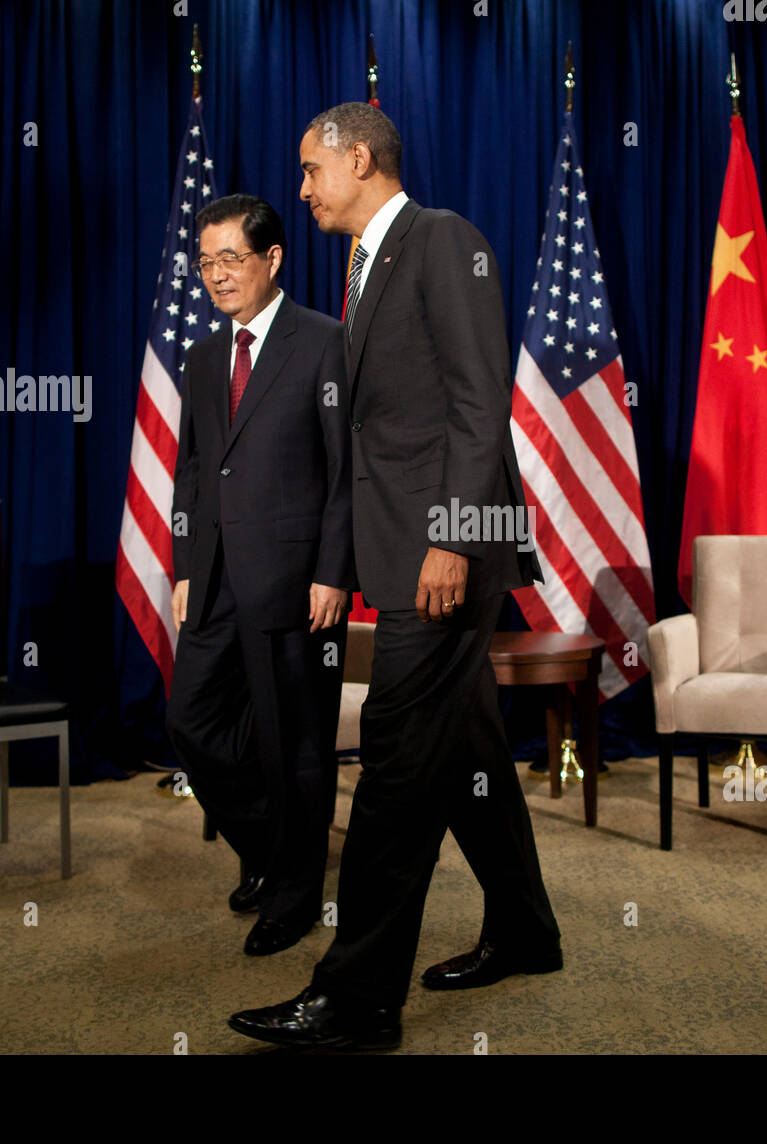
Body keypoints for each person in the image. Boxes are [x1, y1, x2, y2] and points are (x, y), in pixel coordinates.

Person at [228, 105, 561, 1051]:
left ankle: (359, 997)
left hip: (445, 555)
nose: (300, 190)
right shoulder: (366, 261)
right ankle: (527, 929)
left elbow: (477, 397)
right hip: (409, 548)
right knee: (465, 756)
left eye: (308, 171)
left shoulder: (442, 239)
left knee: (394, 763)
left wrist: (452, 541)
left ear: (358, 158)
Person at [166, 194, 354, 957]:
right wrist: (183, 564)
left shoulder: (325, 344)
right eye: (204, 262)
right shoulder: (203, 357)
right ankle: (274, 852)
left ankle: (295, 895)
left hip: (296, 582)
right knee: (192, 724)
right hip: (212, 578)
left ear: (272, 259)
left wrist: (334, 571)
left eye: (230, 259)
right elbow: (191, 471)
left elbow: (347, 471)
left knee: (295, 748)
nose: (215, 275)